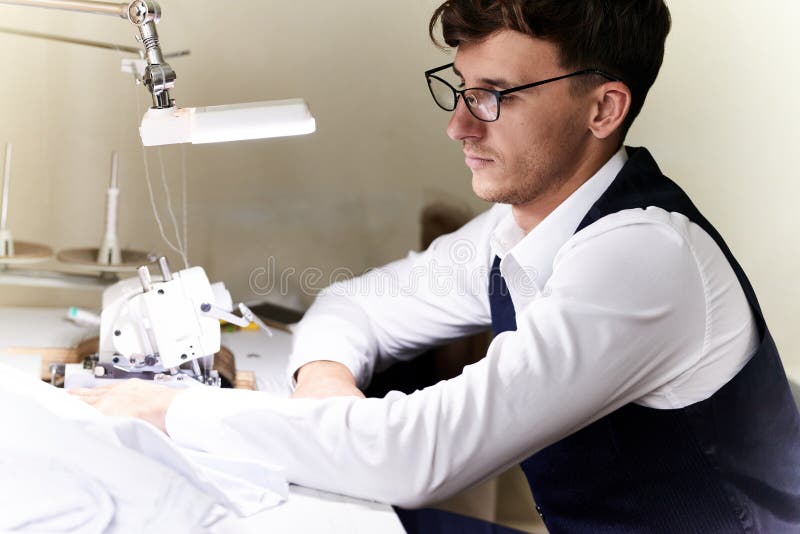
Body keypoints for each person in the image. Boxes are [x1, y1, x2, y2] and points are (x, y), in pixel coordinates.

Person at [72, 1, 800, 532]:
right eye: (460, 89)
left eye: (493, 97)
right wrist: (325, 386)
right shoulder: (523, 227)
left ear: (603, 109)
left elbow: (426, 455)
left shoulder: (645, 258)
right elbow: (354, 306)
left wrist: (174, 409)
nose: (458, 124)